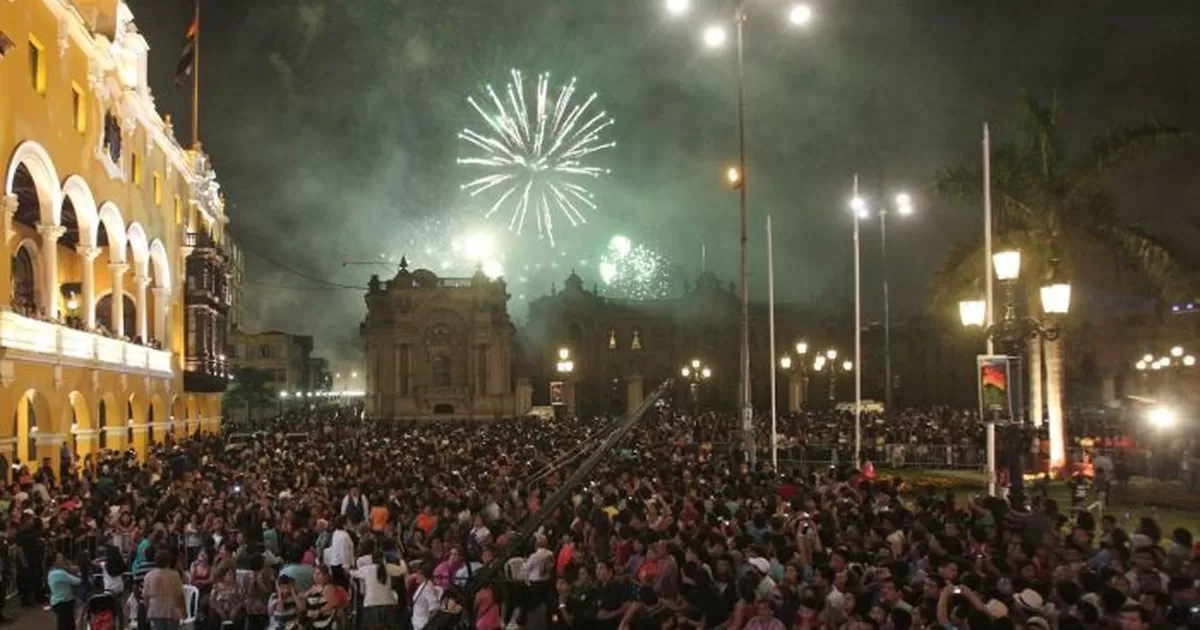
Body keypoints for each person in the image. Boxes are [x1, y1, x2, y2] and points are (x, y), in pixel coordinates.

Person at [352, 551, 399, 630]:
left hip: (371, 604)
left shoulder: (367, 569)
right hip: (389, 604)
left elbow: (353, 573)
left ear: (372, 559)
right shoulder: (389, 569)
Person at [141, 550, 185, 630]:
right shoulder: (174, 575)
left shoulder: (149, 576)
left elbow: (145, 597)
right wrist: (183, 609)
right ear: (169, 561)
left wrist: (147, 610)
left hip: (155, 610)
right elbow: (180, 594)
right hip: (171, 609)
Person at [46, 552, 81, 630]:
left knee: (64, 624)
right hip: (64, 602)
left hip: (59, 602)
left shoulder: (52, 572)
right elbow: (77, 581)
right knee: (66, 625)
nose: (62, 560)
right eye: (60, 558)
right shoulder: (59, 573)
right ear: (54, 562)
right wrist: (78, 572)